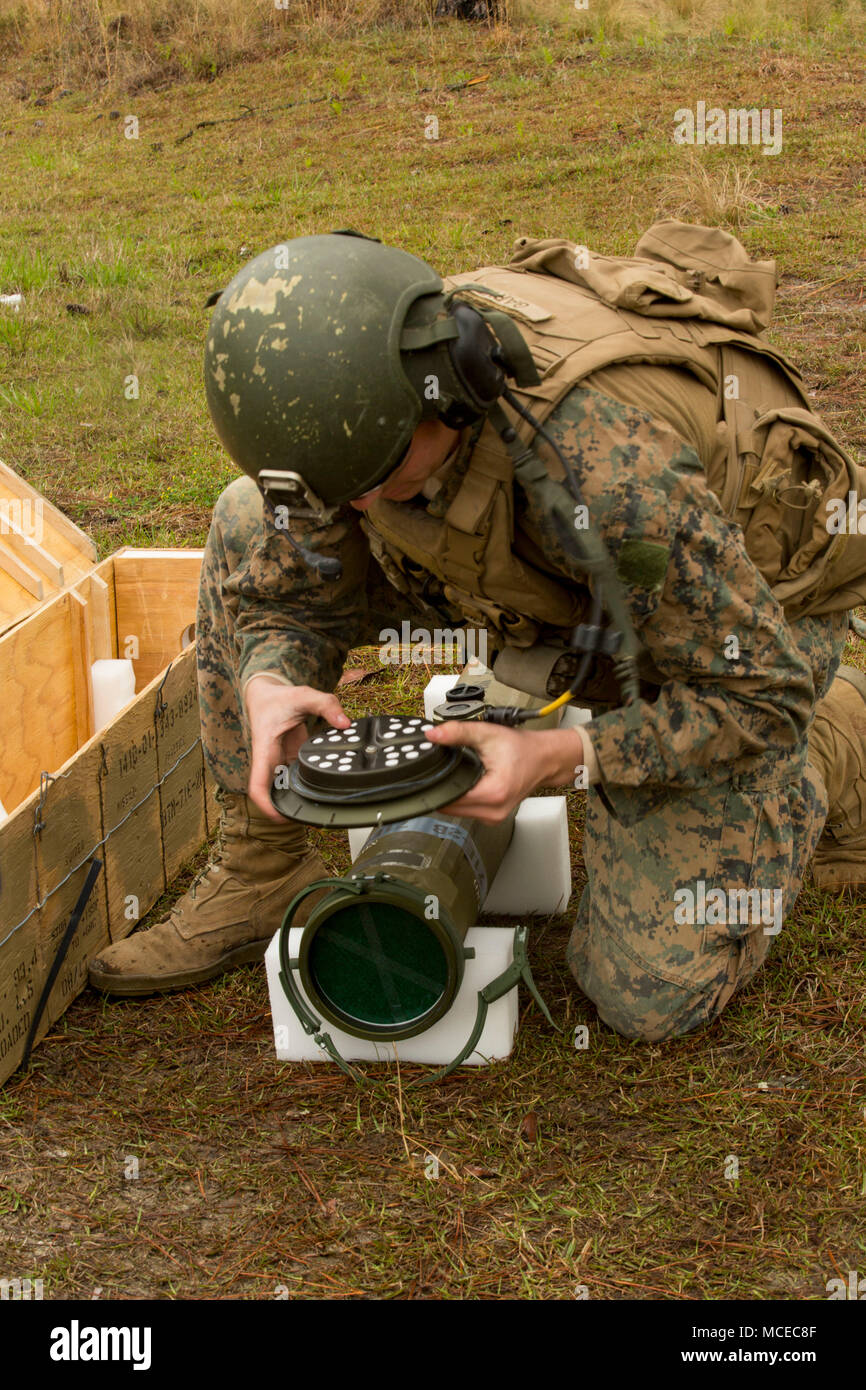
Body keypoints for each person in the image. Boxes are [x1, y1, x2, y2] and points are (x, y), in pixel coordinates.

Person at [89, 225, 866, 1041]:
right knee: (246, 519)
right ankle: (258, 869)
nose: (349, 510)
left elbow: (757, 694)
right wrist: (271, 679)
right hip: (545, 579)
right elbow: (292, 585)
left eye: (367, 483)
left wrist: (565, 754)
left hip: (737, 633)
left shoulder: (607, 470)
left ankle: (836, 739)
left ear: (447, 399)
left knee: (646, 995)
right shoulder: (352, 416)